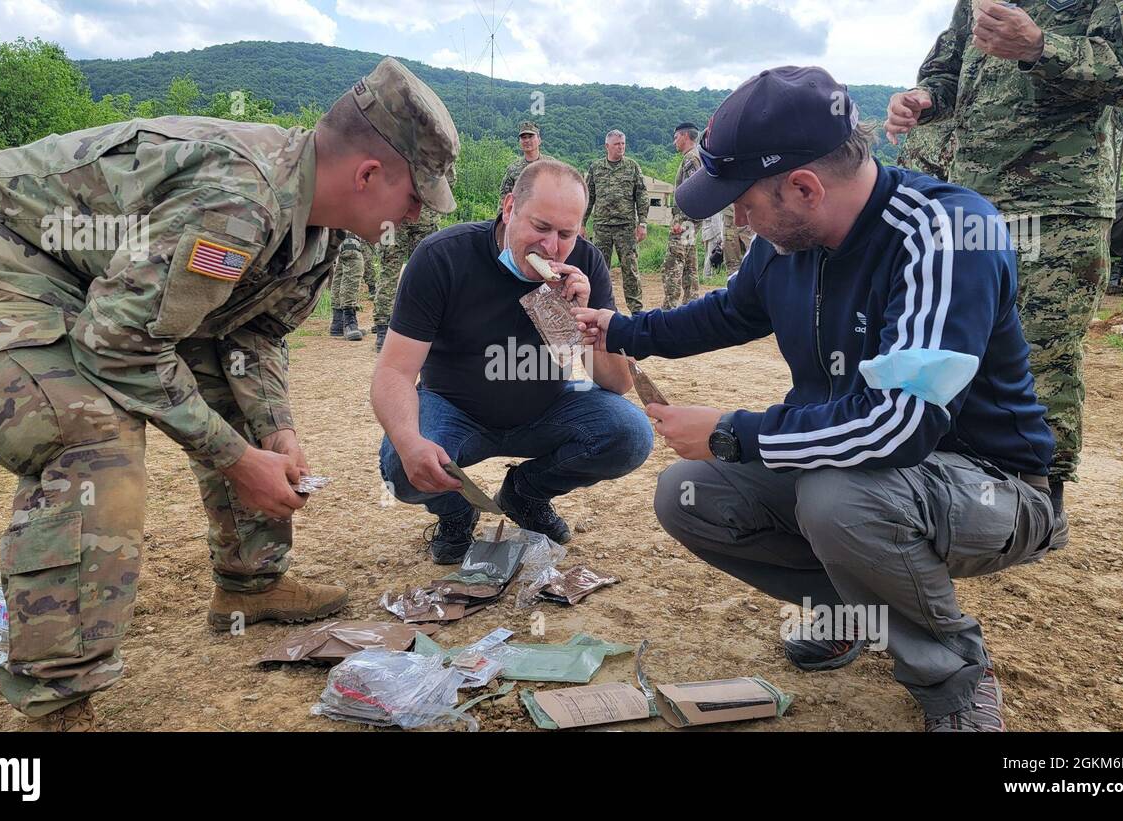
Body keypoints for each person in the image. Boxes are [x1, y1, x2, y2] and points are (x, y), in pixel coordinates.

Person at [0, 57, 459, 730]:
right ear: (368, 174)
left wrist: (275, 433)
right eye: (416, 195)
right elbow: (117, 343)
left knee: (236, 406)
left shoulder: (317, 228)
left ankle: (252, 583)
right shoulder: (238, 199)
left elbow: (254, 337)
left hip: (95, 281)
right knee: (90, 437)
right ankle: (55, 707)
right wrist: (238, 461)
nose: (419, 213)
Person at [574, 67, 1065, 732]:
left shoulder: (941, 234)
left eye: (743, 203)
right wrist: (621, 328)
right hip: (857, 471)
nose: (738, 220)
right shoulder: (788, 243)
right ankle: (853, 611)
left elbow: (901, 425)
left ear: (805, 187)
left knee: (840, 497)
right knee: (689, 494)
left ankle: (951, 671)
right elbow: (728, 312)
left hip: (989, 485)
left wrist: (731, 432)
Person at [885, 0, 1123, 515]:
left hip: (1058, 203)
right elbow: (947, 71)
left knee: (1042, 351)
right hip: (973, 201)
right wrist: (923, 99)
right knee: (962, 341)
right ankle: (966, 488)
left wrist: (1042, 47)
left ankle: (1038, 500)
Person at [372, 159, 652, 561]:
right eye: (540, 228)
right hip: (455, 409)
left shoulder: (586, 263)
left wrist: (587, 323)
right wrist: (409, 440)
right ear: (508, 208)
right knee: (401, 465)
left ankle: (526, 493)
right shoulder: (444, 257)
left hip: (545, 409)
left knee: (631, 434)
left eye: (566, 234)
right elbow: (393, 371)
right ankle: (456, 510)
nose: (551, 247)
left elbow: (617, 384)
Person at [583, 130, 649, 312]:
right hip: (602, 227)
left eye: (623, 144)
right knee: (599, 270)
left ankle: (636, 311)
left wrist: (642, 223)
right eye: (617, 144)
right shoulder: (596, 167)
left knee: (630, 270)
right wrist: (581, 223)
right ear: (607, 146)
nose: (621, 147)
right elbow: (589, 197)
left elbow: (642, 196)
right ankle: (599, 307)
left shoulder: (632, 166)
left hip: (626, 227)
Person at [374, 206, 440, 352]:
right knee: (389, 269)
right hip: (395, 217)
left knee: (426, 271)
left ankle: (420, 325)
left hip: (418, 219)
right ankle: (383, 327)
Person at [661, 122, 703, 309]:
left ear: (685, 136)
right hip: (690, 221)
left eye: (676, 137)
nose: (674, 142)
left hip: (685, 221)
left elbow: (695, 191)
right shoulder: (695, 156)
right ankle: (691, 306)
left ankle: (669, 309)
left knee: (673, 264)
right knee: (689, 265)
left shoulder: (691, 159)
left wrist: (684, 221)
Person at [499, 120, 549, 203]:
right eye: (523, 137)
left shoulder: (551, 166)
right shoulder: (513, 169)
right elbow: (505, 200)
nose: (527, 140)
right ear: (519, 141)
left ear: (539, 140)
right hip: (521, 214)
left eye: (530, 136)